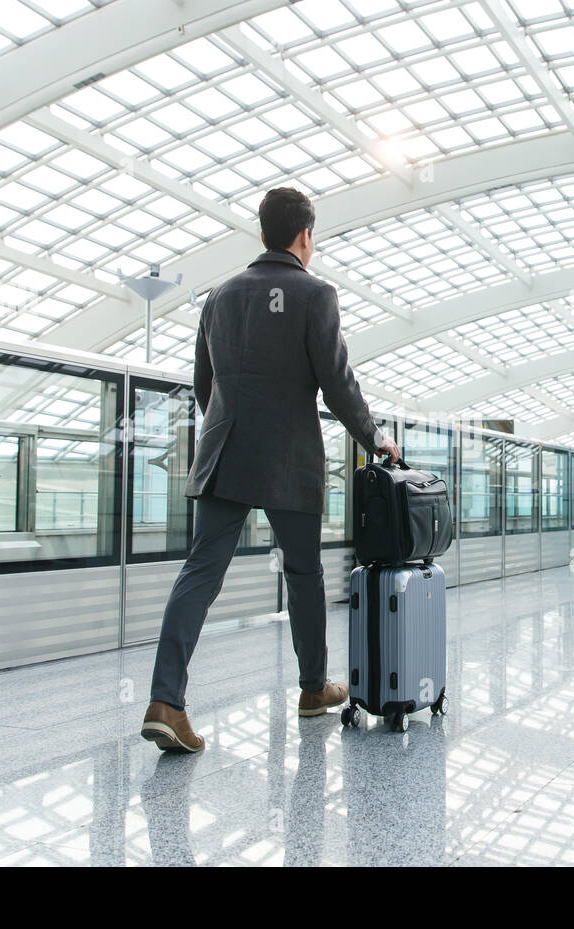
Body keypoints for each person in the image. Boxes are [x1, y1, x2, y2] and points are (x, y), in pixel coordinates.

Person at [141, 186, 400, 754]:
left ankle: (166, 700)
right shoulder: (315, 293)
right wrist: (376, 437)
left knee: (201, 572)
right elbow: (337, 383)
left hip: (224, 451)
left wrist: (227, 427)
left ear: (263, 234)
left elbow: (204, 386)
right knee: (303, 574)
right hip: (288, 460)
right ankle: (312, 689)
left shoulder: (221, 296)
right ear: (305, 235)